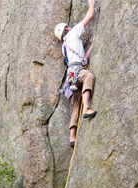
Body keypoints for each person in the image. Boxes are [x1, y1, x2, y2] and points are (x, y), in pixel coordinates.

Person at [55, 0, 97, 148]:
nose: (70, 27)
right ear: (66, 29)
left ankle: (72, 137)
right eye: (68, 27)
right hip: (77, 71)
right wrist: (91, 4)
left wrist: (92, 45)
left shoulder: (65, 46)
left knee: (75, 104)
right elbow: (90, 15)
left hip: (71, 76)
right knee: (89, 77)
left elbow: (82, 57)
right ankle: (87, 108)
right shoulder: (73, 34)